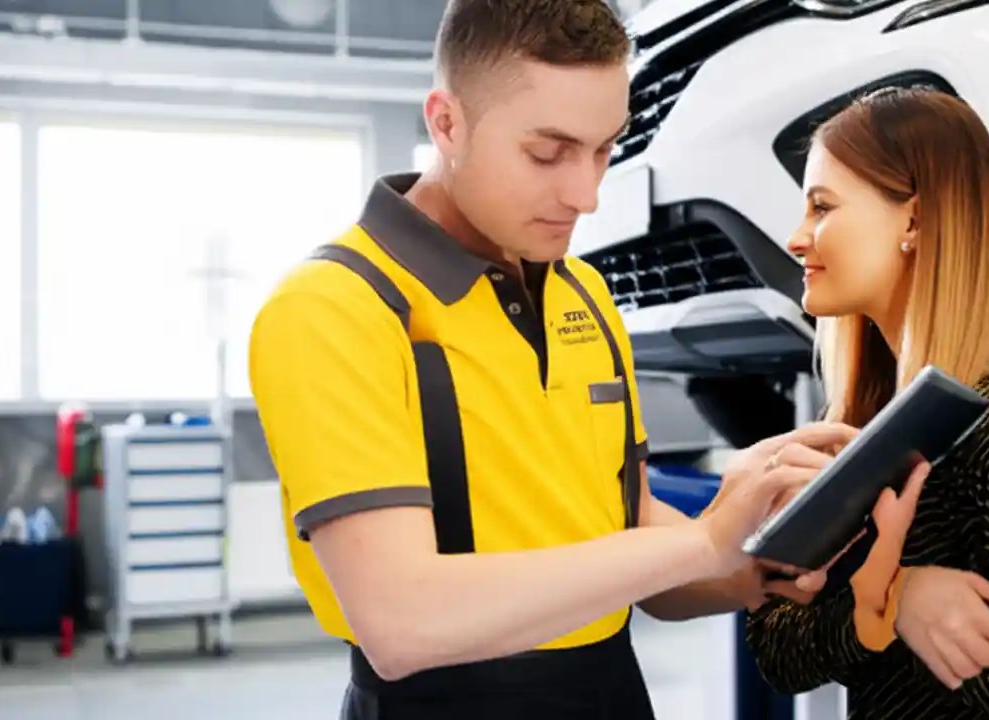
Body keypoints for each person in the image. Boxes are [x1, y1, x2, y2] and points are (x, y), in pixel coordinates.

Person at [247, 2, 928, 718]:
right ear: (446, 123)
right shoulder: (335, 307)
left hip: (612, 693)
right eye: (548, 153)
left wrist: (756, 560)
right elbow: (402, 622)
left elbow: (637, 548)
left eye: (605, 148)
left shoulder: (585, 292)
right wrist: (706, 541)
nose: (586, 193)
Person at [744, 86, 989, 719]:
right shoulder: (861, 416)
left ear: (915, 221)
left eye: (821, 207)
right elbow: (777, 651)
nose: (797, 238)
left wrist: (880, 606)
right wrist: (892, 601)